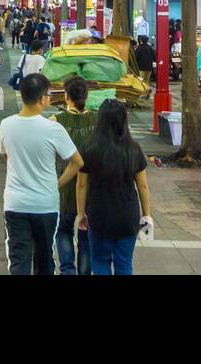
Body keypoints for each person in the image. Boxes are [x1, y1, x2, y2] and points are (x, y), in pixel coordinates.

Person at [0, 73, 83, 275]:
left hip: (15, 204)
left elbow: (6, 156)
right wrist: (57, 184)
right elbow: (77, 162)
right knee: (45, 262)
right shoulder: (53, 129)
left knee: (19, 261)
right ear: (42, 98)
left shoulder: (6, 124)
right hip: (45, 204)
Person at [76, 99, 152, 276]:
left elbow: (81, 184)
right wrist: (146, 214)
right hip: (127, 216)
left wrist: (80, 213)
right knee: (124, 265)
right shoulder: (133, 149)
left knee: (100, 262)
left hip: (99, 216)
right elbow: (142, 185)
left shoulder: (89, 147)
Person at [52, 76, 97, 275]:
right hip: (89, 190)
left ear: (66, 96)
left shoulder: (55, 121)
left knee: (63, 231)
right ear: (86, 96)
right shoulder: (97, 121)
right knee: (86, 235)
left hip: (63, 187)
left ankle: (67, 270)